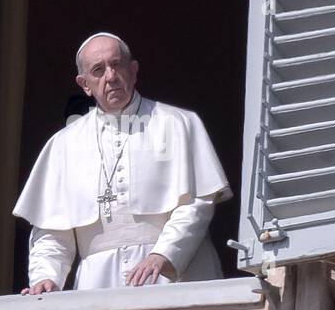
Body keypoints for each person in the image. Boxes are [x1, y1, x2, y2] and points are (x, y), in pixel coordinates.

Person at [13, 32, 232, 293]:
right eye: (98, 70)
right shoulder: (63, 145)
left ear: (133, 70)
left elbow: (197, 203)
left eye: (116, 65)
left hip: (175, 276)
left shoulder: (178, 124)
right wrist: (46, 278)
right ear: (84, 84)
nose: (110, 76)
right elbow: (52, 232)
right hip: (99, 283)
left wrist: (162, 254)